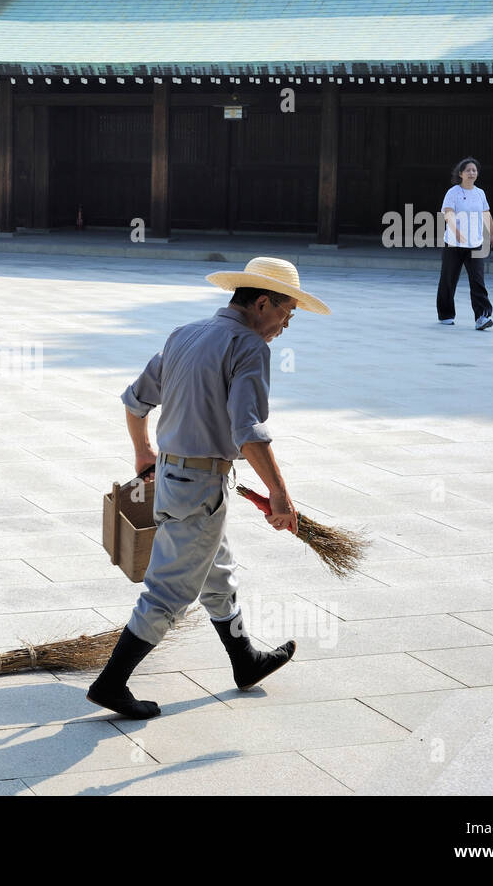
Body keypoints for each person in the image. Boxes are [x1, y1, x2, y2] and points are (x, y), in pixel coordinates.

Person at [87, 257, 330, 719]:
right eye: (286, 314)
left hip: (175, 482)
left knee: (217, 572)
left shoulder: (184, 334)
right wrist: (280, 494)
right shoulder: (249, 347)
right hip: (200, 487)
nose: (285, 326)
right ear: (262, 303)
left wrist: (143, 454)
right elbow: (248, 431)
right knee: (168, 592)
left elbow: (135, 401)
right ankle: (111, 682)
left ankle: (244, 661)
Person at [437, 156, 493, 330]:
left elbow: (487, 214)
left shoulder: (480, 193)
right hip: (453, 244)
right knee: (448, 279)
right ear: (461, 173)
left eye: (474, 170)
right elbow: (448, 213)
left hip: (475, 243)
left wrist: (492, 234)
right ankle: (446, 314)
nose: (472, 173)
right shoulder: (453, 192)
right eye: (468, 170)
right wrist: (456, 232)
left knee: (478, 280)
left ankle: (482, 317)